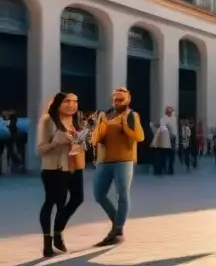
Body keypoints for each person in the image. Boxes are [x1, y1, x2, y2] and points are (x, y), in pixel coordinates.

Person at [91, 87, 145, 246]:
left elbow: (140, 137)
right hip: (104, 160)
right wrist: (101, 124)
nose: (117, 102)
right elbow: (94, 139)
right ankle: (117, 222)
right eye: (114, 99)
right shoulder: (105, 115)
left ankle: (117, 230)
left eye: (120, 99)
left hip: (124, 160)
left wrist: (125, 125)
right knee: (99, 194)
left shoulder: (132, 115)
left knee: (122, 195)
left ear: (128, 99)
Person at [35, 92, 86, 257]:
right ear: (57, 104)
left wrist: (82, 141)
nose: (71, 105)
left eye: (75, 101)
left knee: (77, 199)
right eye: (67, 101)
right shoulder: (48, 120)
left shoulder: (77, 119)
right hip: (54, 169)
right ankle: (47, 243)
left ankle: (58, 231)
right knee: (53, 203)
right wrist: (55, 142)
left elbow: (81, 144)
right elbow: (40, 149)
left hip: (74, 167)